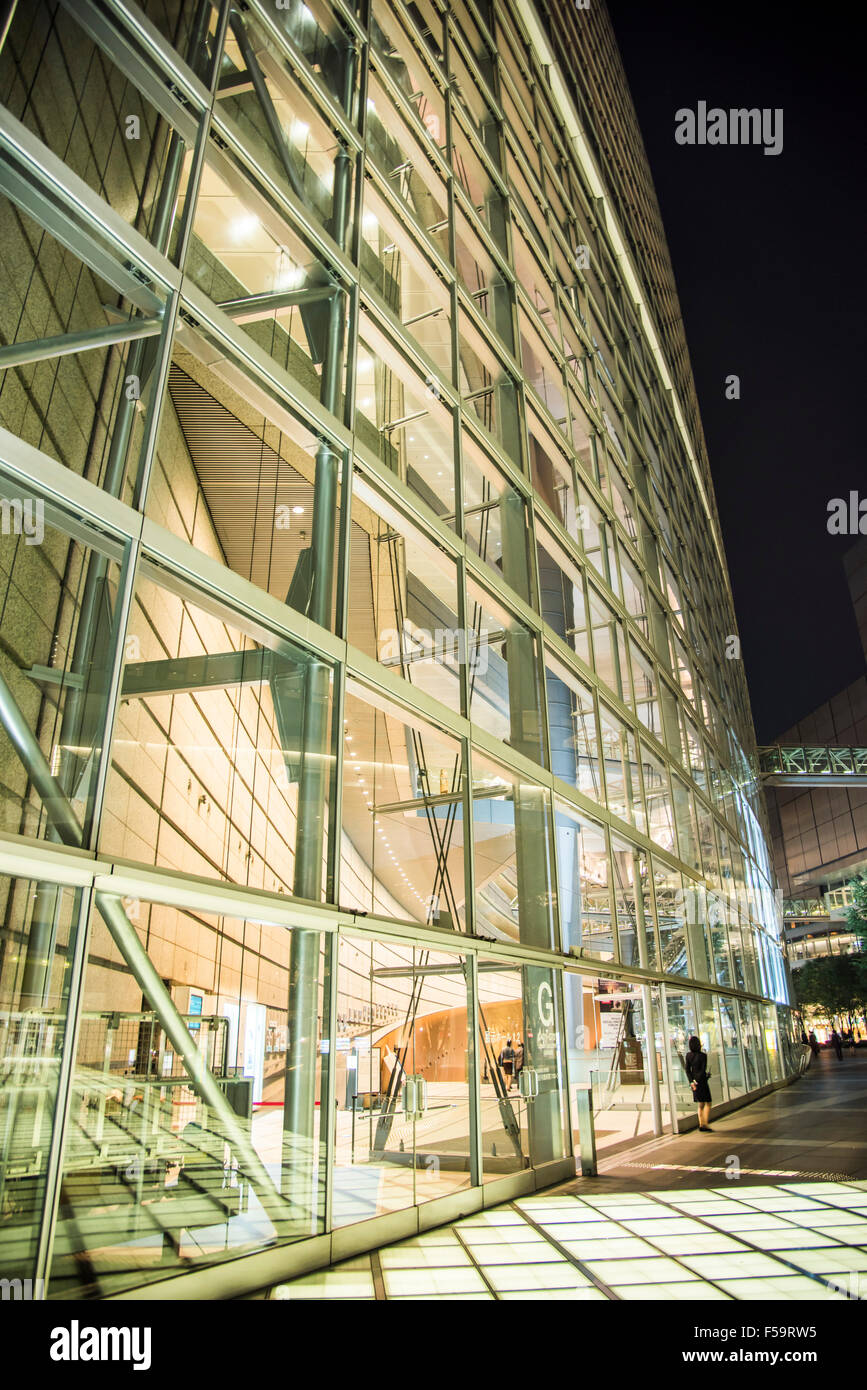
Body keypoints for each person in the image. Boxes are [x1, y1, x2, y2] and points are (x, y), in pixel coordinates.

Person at [684, 1035, 713, 1131]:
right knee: (708, 1103)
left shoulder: (688, 1055)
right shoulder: (703, 1056)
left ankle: (701, 1124)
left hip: (694, 1083)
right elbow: (702, 1070)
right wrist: (702, 1078)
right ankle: (704, 1124)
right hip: (702, 1082)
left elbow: (687, 1070)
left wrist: (692, 1082)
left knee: (700, 1104)